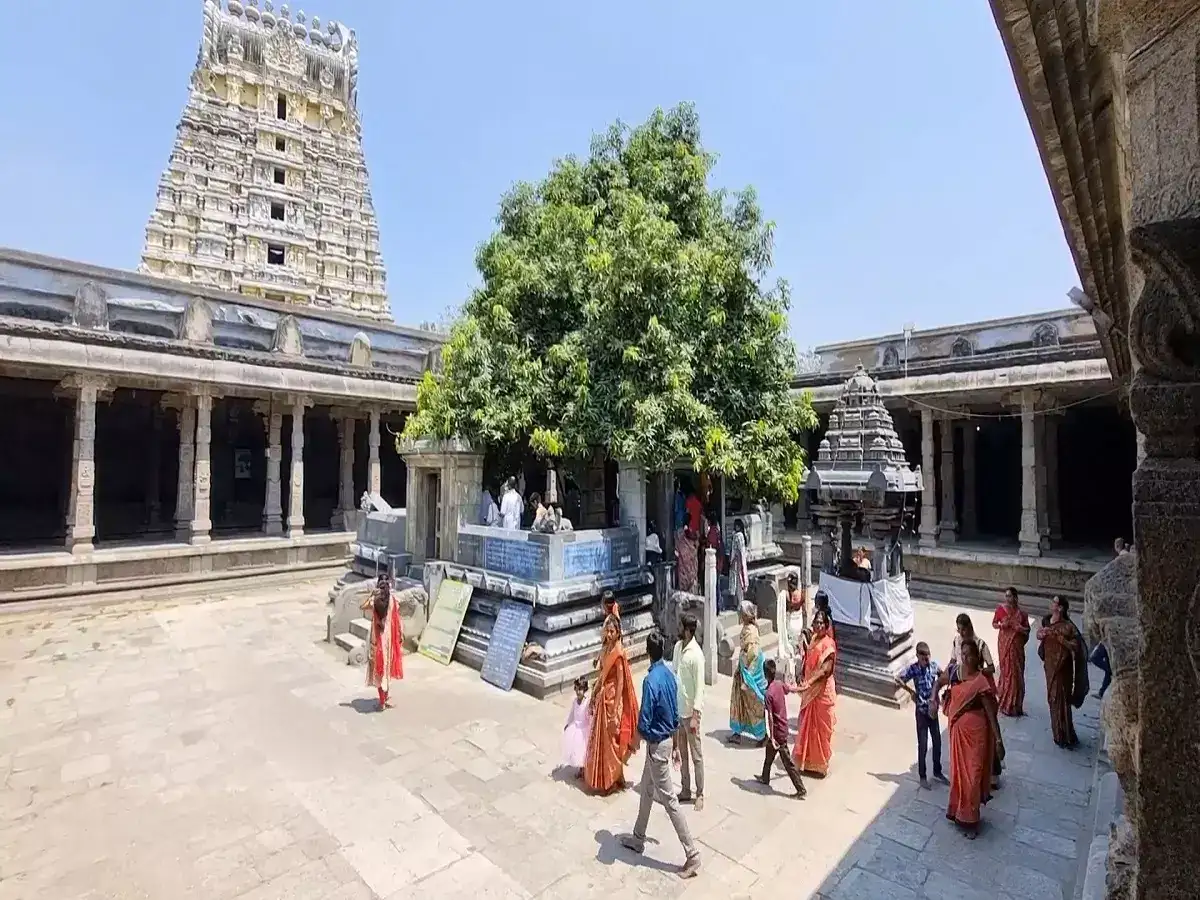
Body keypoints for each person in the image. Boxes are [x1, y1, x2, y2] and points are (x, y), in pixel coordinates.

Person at [621, 630, 702, 879]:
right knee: (646, 788)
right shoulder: (669, 675)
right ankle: (638, 837)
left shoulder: (650, 681)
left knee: (669, 801)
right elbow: (675, 715)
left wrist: (631, 747)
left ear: (647, 652)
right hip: (666, 741)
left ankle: (692, 854)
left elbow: (644, 722)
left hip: (656, 746)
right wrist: (677, 746)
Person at [942, 639, 1003, 838]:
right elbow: (943, 687)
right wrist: (941, 697)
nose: (966, 657)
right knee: (960, 777)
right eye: (964, 653)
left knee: (973, 778)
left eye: (970, 654)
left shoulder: (981, 682)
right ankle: (958, 812)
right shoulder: (957, 675)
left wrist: (999, 740)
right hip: (958, 736)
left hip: (976, 737)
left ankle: (972, 821)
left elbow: (991, 714)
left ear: (977, 657)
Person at [584, 595, 639, 793]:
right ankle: (608, 777)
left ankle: (613, 777)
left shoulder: (619, 652)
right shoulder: (608, 647)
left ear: (618, 632)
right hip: (603, 696)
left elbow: (622, 680)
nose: (609, 633)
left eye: (612, 631)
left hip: (612, 699)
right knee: (603, 740)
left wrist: (615, 707)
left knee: (613, 741)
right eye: (607, 630)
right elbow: (602, 671)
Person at [896, 641, 947, 789]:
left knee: (937, 741)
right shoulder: (914, 669)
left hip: (933, 710)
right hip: (921, 711)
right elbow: (898, 679)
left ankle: (937, 771)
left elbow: (943, 676)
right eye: (923, 657)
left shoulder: (933, 666)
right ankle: (922, 775)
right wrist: (911, 692)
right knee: (923, 745)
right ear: (918, 656)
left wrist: (939, 693)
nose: (926, 659)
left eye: (928, 656)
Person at [794, 608, 838, 776]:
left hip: (822, 692)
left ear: (826, 625)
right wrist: (801, 673)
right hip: (810, 690)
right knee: (807, 726)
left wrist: (810, 682)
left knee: (820, 729)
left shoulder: (829, 644)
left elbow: (826, 670)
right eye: (816, 622)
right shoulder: (813, 639)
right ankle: (808, 762)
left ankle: (820, 765)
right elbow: (807, 659)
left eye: (821, 623)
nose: (818, 625)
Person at [671, 613, 706, 810]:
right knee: (682, 752)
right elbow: (675, 674)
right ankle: (685, 789)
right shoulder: (678, 648)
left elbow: (700, 688)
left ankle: (700, 793)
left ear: (687, 630)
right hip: (678, 709)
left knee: (696, 755)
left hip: (691, 713)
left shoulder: (696, 655)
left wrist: (696, 715)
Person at [1037, 595, 1081, 748]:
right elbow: (1039, 635)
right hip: (1049, 665)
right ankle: (1057, 732)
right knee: (1052, 699)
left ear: (1060, 608)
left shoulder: (1068, 627)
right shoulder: (1047, 621)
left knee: (1061, 699)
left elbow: (1076, 646)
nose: (1052, 604)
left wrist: (1061, 639)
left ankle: (1065, 734)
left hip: (1062, 668)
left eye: (1054, 602)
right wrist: (1041, 634)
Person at [759, 658, 807, 799]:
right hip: (783, 728)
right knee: (769, 755)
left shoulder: (768, 694)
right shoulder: (779, 685)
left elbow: (770, 718)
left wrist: (772, 737)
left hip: (778, 733)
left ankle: (801, 789)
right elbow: (791, 689)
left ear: (765, 675)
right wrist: (803, 688)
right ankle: (764, 777)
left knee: (788, 763)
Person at [359, 574, 404, 710]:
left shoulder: (374, 601)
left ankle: (382, 702)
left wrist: (372, 595)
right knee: (387, 668)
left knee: (379, 670)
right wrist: (400, 634)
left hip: (377, 640)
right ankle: (385, 697)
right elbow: (398, 619)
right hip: (390, 641)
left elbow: (362, 606)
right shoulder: (393, 601)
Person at [727, 601, 767, 746]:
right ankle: (737, 732)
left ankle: (762, 734)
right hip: (743, 668)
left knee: (754, 703)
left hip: (751, 672)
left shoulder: (751, 632)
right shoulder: (746, 628)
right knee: (739, 701)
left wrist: (748, 678)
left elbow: (755, 654)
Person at [992, 586, 1031, 717]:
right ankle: (1005, 703)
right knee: (1007, 672)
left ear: (1015, 597)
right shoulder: (1000, 610)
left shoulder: (1022, 614)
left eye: (1010, 596)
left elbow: (1027, 631)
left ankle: (1016, 705)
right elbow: (994, 624)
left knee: (1016, 675)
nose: (1008, 599)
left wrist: (1019, 628)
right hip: (1004, 645)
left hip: (1016, 648)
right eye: (1006, 596)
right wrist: (1002, 625)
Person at [950, 614, 996, 683]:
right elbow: (952, 661)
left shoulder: (981, 644)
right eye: (959, 629)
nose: (961, 633)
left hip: (974, 682)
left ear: (970, 627)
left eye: (964, 629)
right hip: (959, 680)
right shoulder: (956, 641)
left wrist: (978, 671)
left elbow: (991, 668)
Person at [562, 676, 592, 778]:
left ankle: (585, 770)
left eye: (580, 689)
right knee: (577, 751)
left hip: (584, 730)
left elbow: (589, 716)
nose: (578, 692)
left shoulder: (587, 702)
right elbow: (572, 713)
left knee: (584, 752)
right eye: (577, 689)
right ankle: (580, 770)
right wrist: (568, 723)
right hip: (576, 729)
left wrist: (592, 728)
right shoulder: (575, 701)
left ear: (584, 690)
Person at [728, 519, 749, 608]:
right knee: (740, 582)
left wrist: (732, 560)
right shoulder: (743, 536)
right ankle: (739, 602)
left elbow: (735, 550)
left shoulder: (737, 536)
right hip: (741, 561)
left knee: (737, 582)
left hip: (736, 562)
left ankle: (739, 603)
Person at [675, 525, 700, 593]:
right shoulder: (694, 543)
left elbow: (676, 553)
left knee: (684, 593)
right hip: (692, 572)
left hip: (684, 572)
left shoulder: (682, 542)